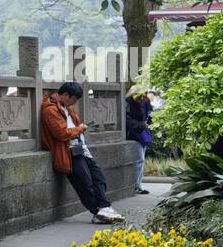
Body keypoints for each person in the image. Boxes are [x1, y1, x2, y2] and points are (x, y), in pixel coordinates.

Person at [40, 81, 124, 224]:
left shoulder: (67, 108)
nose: (75, 103)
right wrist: (80, 129)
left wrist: (79, 130)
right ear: (66, 95)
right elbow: (61, 133)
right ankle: (98, 211)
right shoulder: (50, 109)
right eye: (74, 99)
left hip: (81, 149)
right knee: (84, 183)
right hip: (68, 152)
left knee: (99, 178)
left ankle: (104, 208)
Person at [124, 86, 154, 195]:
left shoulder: (144, 101)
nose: (142, 98)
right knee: (139, 160)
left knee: (140, 161)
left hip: (141, 133)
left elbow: (148, 114)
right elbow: (127, 120)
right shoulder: (128, 103)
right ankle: (137, 186)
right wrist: (141, 125)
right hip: (133, 133)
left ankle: (138, 185)